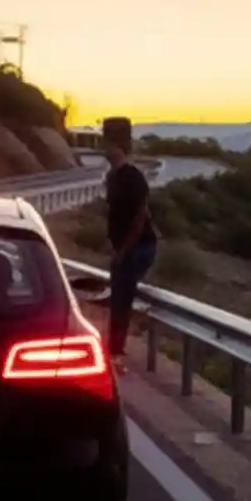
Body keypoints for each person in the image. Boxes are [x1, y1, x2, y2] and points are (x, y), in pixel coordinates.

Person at [104, 134, 158, 363]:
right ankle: (114, 347)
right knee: (118, 294)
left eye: (109, 145)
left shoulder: (133, 178)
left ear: (119, 148)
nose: (105, 150)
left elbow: (138, 217)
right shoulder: (112, 177)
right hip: (126, 245)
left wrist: (123, 250)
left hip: (138, 246)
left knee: (121, 294)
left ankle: (116, 350)